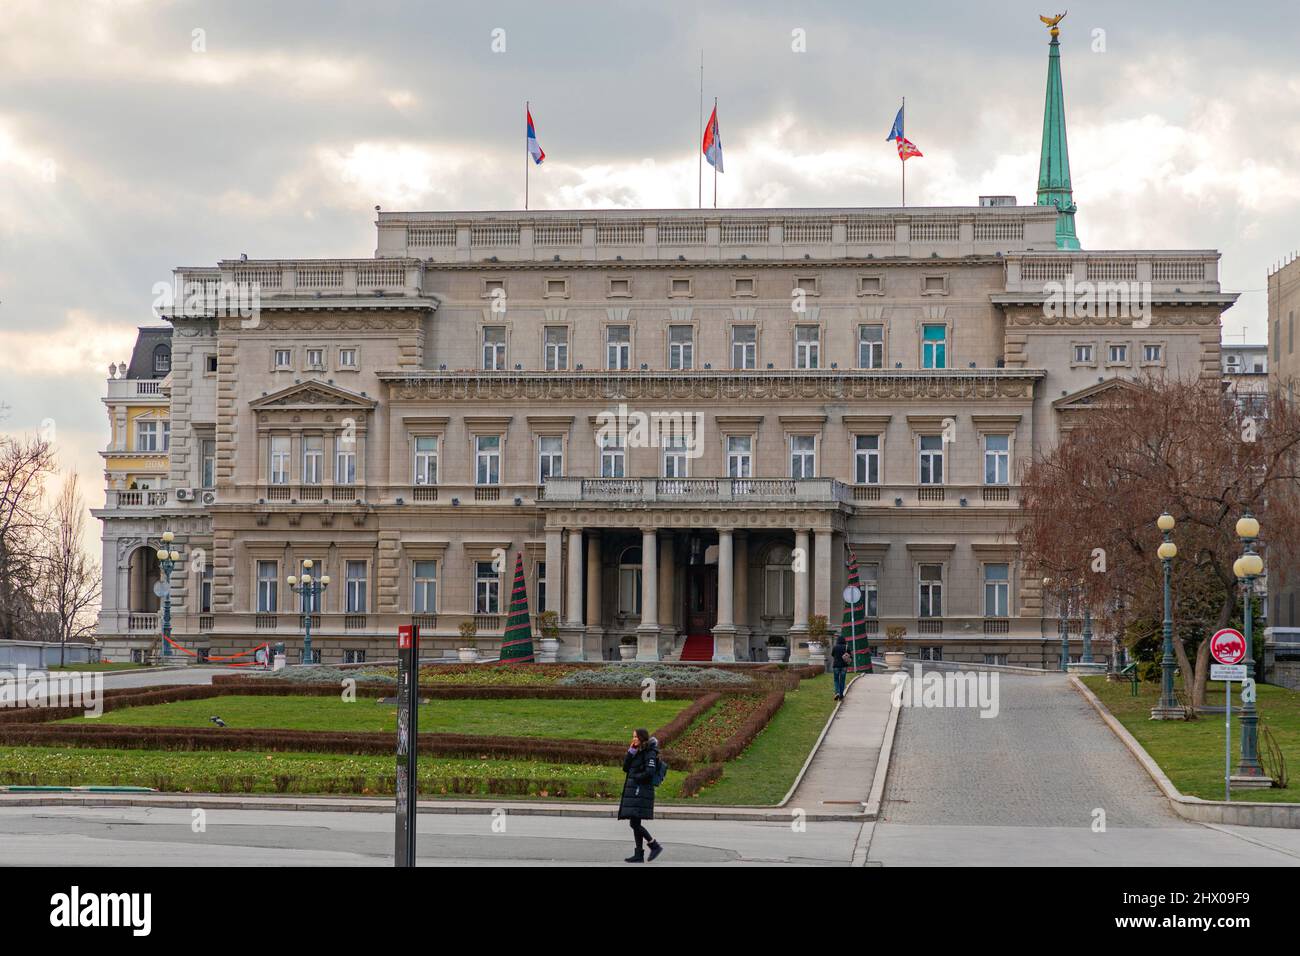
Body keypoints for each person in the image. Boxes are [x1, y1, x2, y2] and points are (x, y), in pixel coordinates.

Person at [617, 728, 664, 863]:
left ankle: (654, 845)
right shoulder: (637, 751)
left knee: (634, 823)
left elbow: (650, 771)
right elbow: (625, 768)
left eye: (636, 737)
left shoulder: (649, 752)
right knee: (635, 822)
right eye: (633, 737)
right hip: (635, 790)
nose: (634, 739)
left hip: (641, 791)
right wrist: (630, 751)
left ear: (642, 738)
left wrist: (636, 778)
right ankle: (639, 854)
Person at [831, 634, 849, 700]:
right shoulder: (846, 647)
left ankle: (837, 693)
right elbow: (850, 656)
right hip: (844, 666)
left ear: (838, 640)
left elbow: (832, 654)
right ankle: (841, 695)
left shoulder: (835, 647)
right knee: (842, 680)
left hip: (836, 666)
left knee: (836, 680)